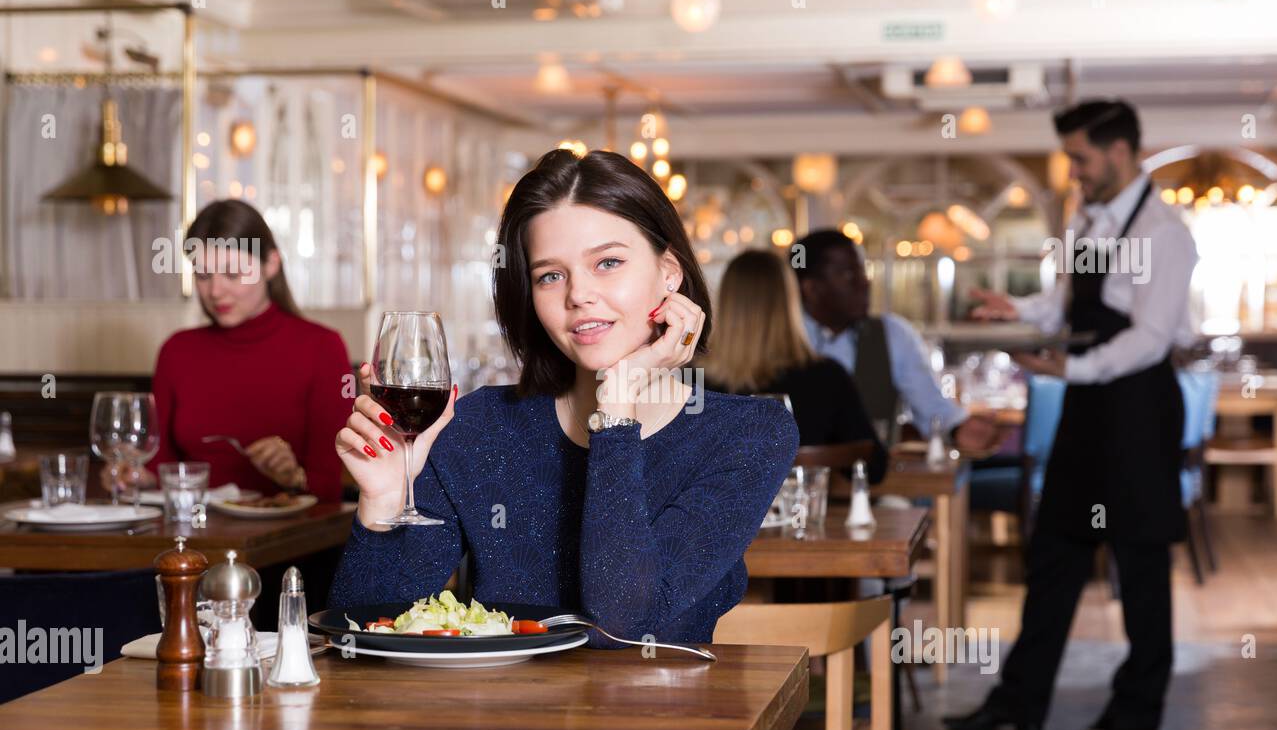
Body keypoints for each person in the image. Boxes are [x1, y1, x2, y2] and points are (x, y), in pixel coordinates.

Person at [328, 149, 799, 646]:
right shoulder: (479, 426)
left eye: (608, 263)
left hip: (662, 721)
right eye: (550, 275)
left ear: (669, 274)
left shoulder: (747, 434)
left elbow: (623, 621)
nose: (578, 295)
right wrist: (382, 503)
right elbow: (359, 640)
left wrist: (616, 415)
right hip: (502, 716)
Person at [947, 99, 1197, 730]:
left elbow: (1150, 337)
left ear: (1119, 152)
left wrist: (1071, 368)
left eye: (1080, 157)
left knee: (1140, 565)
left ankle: (1136, 716)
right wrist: (1016, 307)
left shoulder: (1164, 233)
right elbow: (1063, 303)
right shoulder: (1086, 221)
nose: (1074, 170)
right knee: (1055, 553)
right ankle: (1017, 702)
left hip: (1139, 411)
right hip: (1088, 410)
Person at [106, 199, 353, 502]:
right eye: (203, 275)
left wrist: (293, 476)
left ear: (271, 264)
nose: (214, 291)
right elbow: (161, 473)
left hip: (285, 541)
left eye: (232, 274)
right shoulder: (177, 352)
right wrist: (134, 477)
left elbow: (329, 488)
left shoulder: (322, 348)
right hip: (193, 537)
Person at [791, 229, 999, 450]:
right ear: (812, 289)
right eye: (849, 275)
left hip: (871, 481)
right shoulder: (779, 340)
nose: (865, 283)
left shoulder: (892, 334)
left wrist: (960, 429)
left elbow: (933, 408)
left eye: (863, 272)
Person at [707, 248, 886, 483]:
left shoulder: (694, 381)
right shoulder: (827, 377)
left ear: (725, 303)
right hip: (807, 517)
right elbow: (874, 468)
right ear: (790, 303)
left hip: (719, 519)